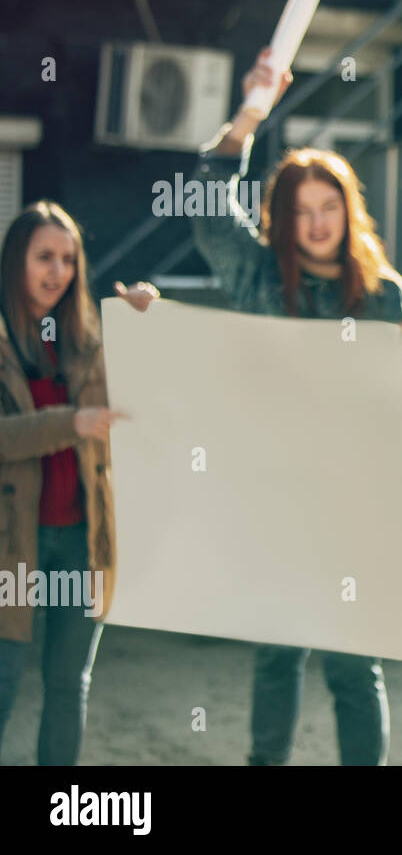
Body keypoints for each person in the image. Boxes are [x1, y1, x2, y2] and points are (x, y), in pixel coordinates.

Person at [192, 50, 402, 766]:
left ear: (347, 212)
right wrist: (249, 117)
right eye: (302, 210)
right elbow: (204, 201)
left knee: (354, 666)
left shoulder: (386, 295)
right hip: (274, 497)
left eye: (330, 207)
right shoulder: (257, 275)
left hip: (355, 506)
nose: (318, 222)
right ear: (281, 218)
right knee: (276, 656)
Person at [0, 200, 156, 764]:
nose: (58, 272)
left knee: (69, 687)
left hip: (82, 539)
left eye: (68, 259)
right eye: (44, 257)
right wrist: (70, 423)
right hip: (10, 544)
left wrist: (146, 324)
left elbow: (152, 399)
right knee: (3, 682)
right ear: (15, 261)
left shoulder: (91, 336)